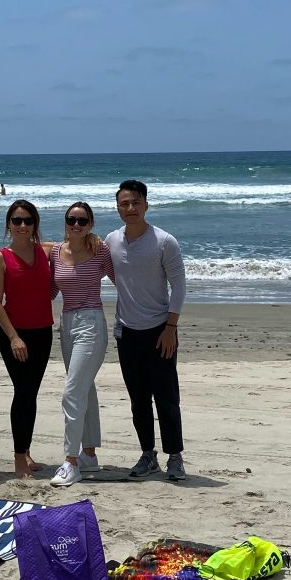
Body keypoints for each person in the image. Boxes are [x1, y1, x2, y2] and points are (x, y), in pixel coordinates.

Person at [105, 179, 188, 482]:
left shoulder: (165, 241)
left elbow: (179, 287)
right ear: (118, 208)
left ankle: (175, 457)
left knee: (167, 398)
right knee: (138, 399)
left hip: (159, 331)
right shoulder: (112, 240)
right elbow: (80, 251)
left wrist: (171, 326)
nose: (130, 208)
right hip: (127, 332)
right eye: (124, 204)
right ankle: (147, 455)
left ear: (146, 205)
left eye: (135, 202)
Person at [48, 203, 114, 488]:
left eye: (82, 220)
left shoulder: (101, 250)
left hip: (92, 322)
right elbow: (50, 290)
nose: (76, 225)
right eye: (71, 220)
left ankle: (70, 462)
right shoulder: (55, 253)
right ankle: (89, 455)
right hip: (67, 323)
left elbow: (123, 280)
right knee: (85, 388)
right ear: (65, 222)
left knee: (72, 392)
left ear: (91, 223)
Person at [0, 200, 55, 480]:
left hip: (43, 332)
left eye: (28, 220)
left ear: (35, 224)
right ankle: (18, 459)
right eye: (17, 221)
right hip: (14, 335)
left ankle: (26, 451)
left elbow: (79, 245)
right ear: (9, 224)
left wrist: (94, 239)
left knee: (32, 394)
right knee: (23, 392)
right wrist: (14, 337)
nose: (23, 225)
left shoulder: (48, 251)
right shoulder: (1, 257)